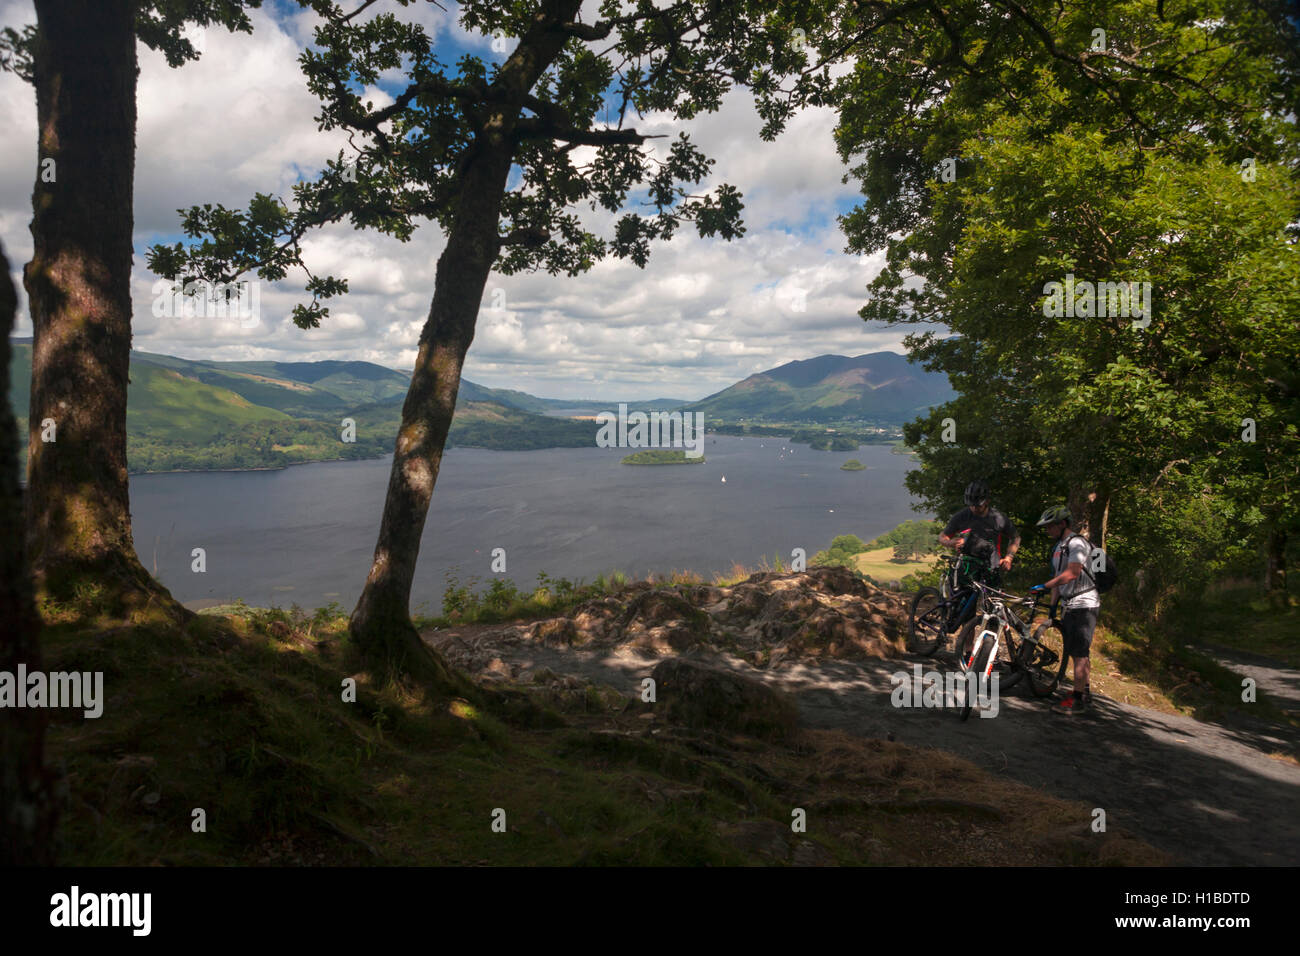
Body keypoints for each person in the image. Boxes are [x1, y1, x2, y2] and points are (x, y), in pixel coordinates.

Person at [1031, 504, 1099, 714]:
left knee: (1079, 653)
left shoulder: (1077, 544)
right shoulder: (1059, 548)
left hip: (1084, 604)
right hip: (1069, 604)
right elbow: (1059, 580)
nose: (1047, 530)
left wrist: (1045, 586)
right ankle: (1084, 692)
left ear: (1062, 524)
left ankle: (1077, 701)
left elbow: (1072, 573)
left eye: (1050, 526)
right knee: (1076, 651)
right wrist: (1052, 607)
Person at [938, 481, 1021, 648]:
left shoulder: (998, 518)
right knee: (966, 611)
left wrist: (1009, 557)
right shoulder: (962, 516)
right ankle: (966, 650)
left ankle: (988, 652)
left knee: (993, 611)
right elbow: (943, 536)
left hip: (992, 567)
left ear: (987, 501)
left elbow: (1015, 537)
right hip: (967, 566)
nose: (974, 508)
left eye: (978, 505)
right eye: (971, 505)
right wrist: (951, 543)